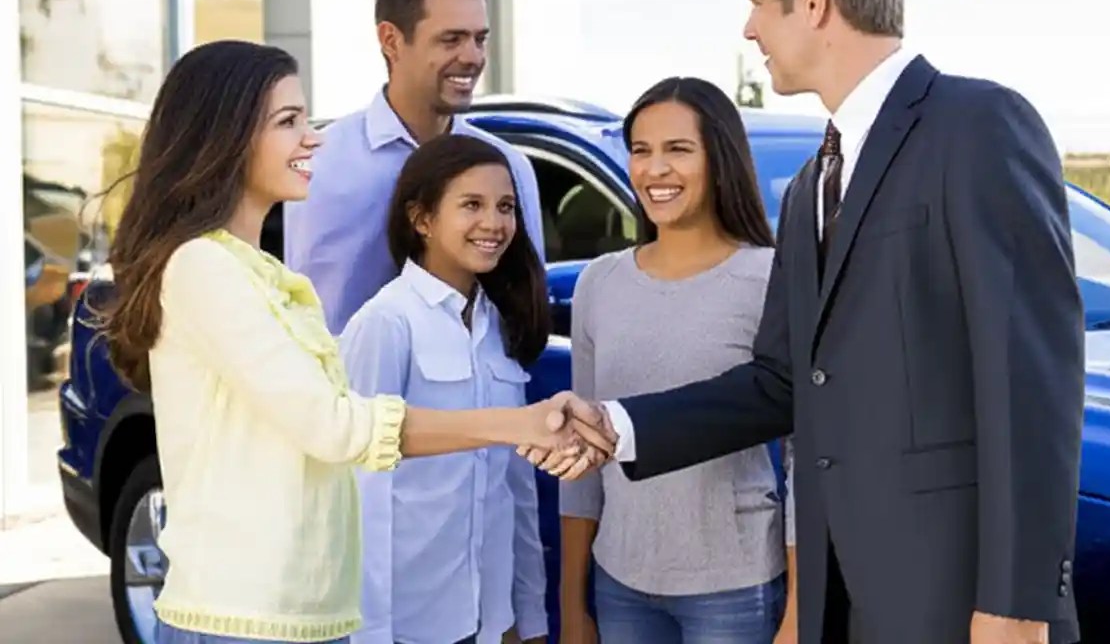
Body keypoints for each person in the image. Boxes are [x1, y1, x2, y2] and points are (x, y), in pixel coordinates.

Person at [533, 0, 1086, 642]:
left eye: (758, 2)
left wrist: (1017, 606)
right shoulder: (805, 190)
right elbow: (784, 382)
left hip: (957, 605)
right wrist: (620, 425)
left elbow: (1031, 381)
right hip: (844, 602)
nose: (749, 27)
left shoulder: (976, 125)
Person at [98, 40, 599, 644]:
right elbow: (337, 427)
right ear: (224, 136)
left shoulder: (264, 273)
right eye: (288, 122)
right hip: (245, 624)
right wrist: (516, 424)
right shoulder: (203, 267)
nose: (313, 139)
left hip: (306, 619)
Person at [556, 77, 796, 644]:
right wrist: (573, 603)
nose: (654, 170)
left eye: (678, 150)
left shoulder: (770, 280)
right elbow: (580, 458)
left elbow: (804, 463)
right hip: (620, 583)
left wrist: (798, 616)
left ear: (720, 159)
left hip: (733, 590)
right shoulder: (601, 282)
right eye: (641, 150)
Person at [339, 135, 550, 644]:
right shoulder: (385, 323)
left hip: (489, 620)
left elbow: (515, 486)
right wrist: (372, 635)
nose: (494, 224)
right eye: (471, 205)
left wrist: (528, 615)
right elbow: (358, 494)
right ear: (422, 219)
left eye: (505, 207)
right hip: (408, 625)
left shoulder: (498, 326)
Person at [283, 0, 544, 336]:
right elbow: (308, 323)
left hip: (484, 393)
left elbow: (524, 311)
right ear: (391, 40)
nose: (472, 57)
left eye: (480, 39)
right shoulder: (318, 162)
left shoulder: (509, 168)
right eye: (451, 39)